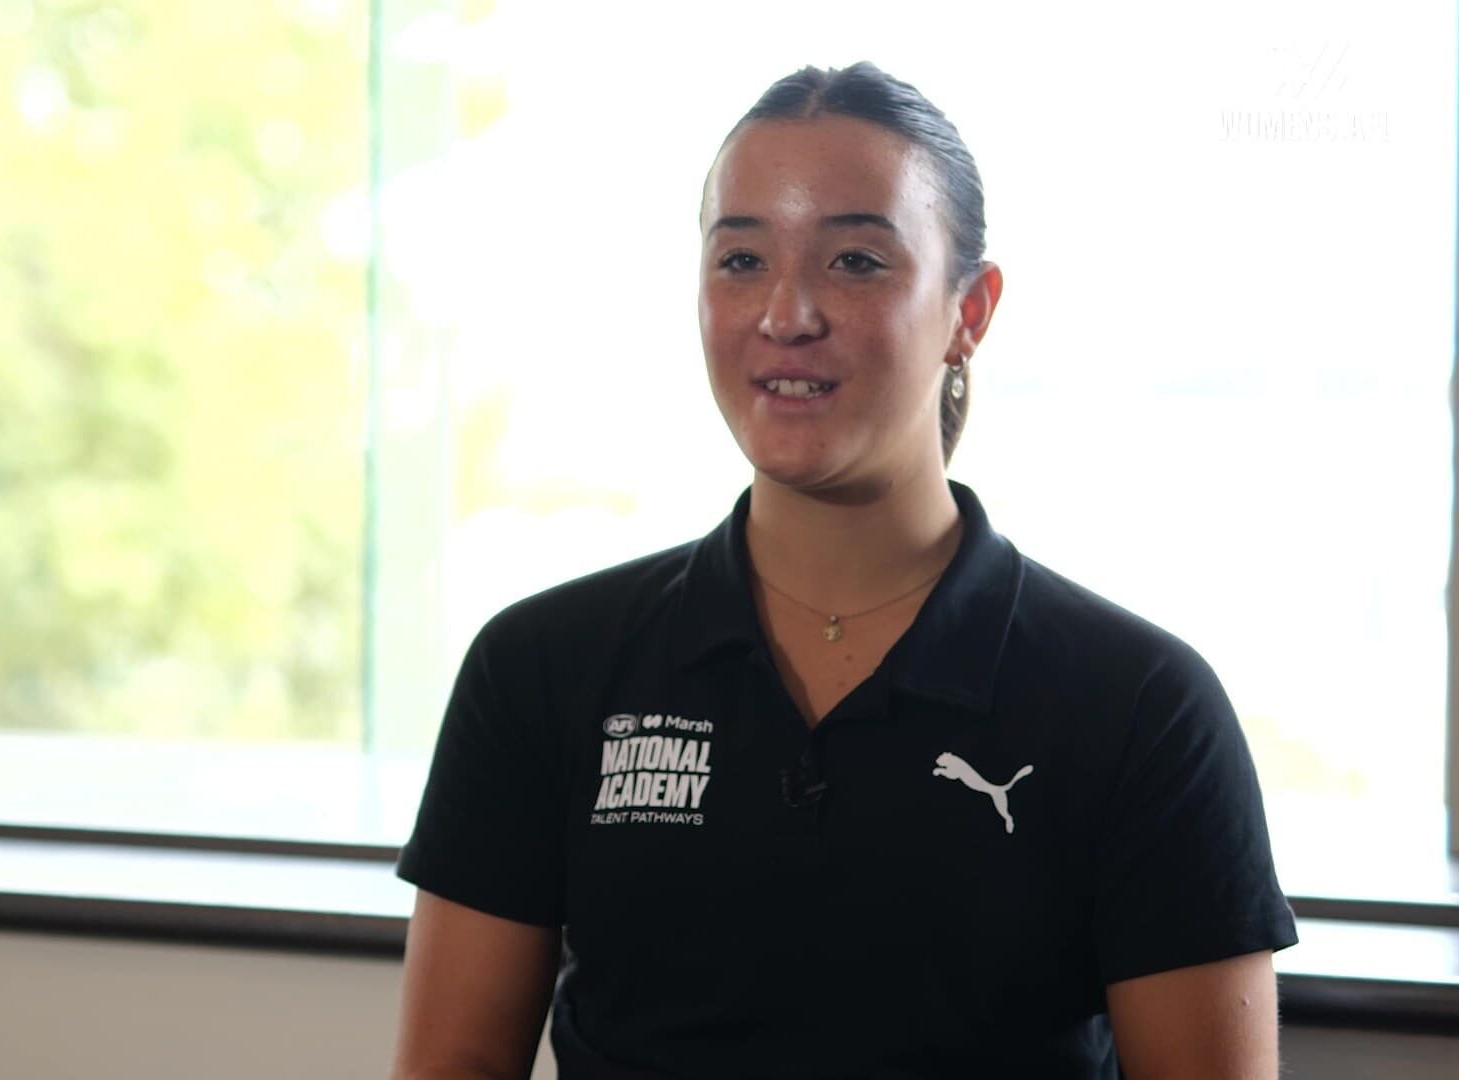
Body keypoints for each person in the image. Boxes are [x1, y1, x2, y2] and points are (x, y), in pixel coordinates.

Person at [390, 61, 1298, 1080]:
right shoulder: (541, 667)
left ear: (970, 311)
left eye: (857, 261)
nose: (786, 314)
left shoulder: (1140, 706)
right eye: (741, 260)